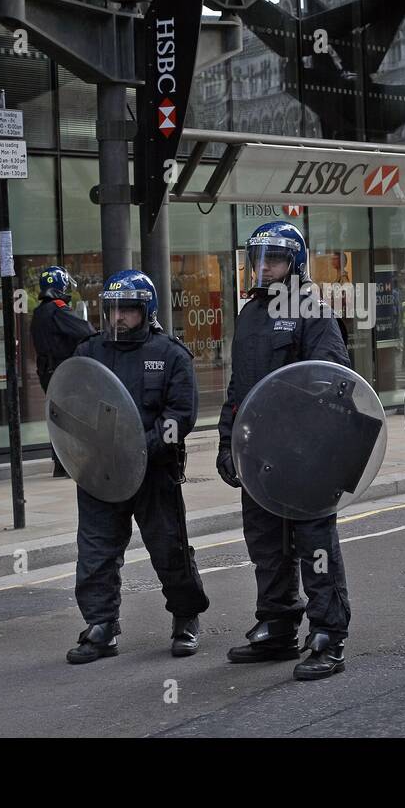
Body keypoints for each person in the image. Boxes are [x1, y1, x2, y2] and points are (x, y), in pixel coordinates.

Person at [217, 221, 352, 681]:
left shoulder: (313, 311)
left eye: (272, 259)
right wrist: (225, 440)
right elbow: (238, 387)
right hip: (258, 452)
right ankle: (277, 625)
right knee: (266, 544)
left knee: (315, 545)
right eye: (258, 259)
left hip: (304, 454)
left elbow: (334, 379)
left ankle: (328, 635)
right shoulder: (251, 313)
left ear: (294, 263)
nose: (263, 267)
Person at [65, 270, 208, 663]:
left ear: (146, 311)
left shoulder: (170, 355)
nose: (119, 318)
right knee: (95, 552)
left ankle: (185, 617)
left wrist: (138, 449)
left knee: (169, 548)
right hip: (99, 472)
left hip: (153, 471)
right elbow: (71, 406)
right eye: (112, 310)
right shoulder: (89, 352)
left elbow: (180, 416)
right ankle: (101, 625)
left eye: (128, 310)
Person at [30, 265, 94, 477]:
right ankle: (67, 463)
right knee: (69, 417)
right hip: (62, 371)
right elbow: (85, 330)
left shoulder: (39, 312)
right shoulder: (58, 309)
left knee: (57, 417)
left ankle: (59, 462)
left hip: (46, 372)